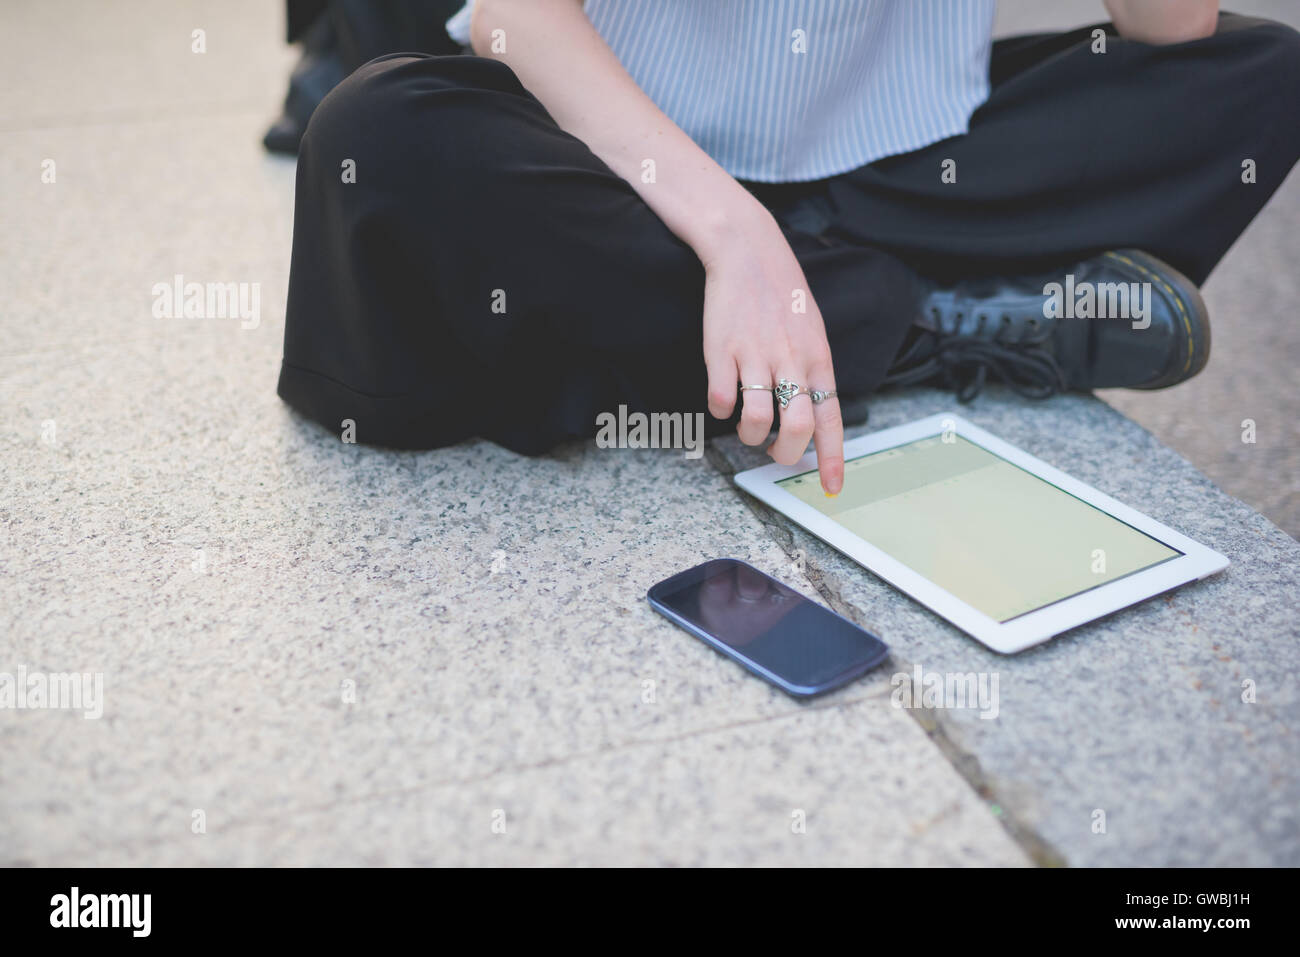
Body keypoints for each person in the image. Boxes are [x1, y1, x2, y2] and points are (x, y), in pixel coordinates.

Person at [276, 0, 1300, 496]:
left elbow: (1175, 30)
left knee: (1263, 77)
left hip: (900, 166)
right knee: (382, 138)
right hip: (618, 161)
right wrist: (730, 233)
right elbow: (513, 15)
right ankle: (928, 328)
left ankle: (788, 314)